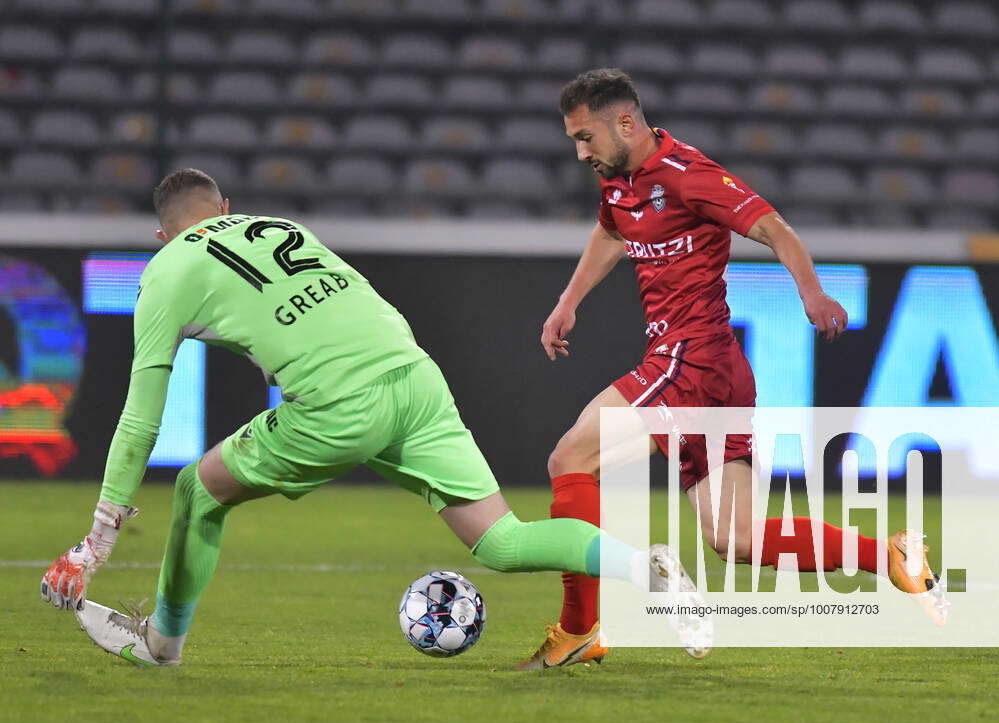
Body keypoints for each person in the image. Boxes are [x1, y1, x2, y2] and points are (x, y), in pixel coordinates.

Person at [40, 168, 706, 666]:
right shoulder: (282, 229)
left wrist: (95, 541)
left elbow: (140, 413)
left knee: (195, 490)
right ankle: (642, 568)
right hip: (414, 376)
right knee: (503, 541)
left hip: (337, 402)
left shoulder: (166, 267)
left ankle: (163, 642)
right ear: (226, 210)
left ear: (162, 235)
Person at [520, 69, 947, 670]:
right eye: (574, 140)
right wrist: (569, 302)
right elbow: (611, 230)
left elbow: (774, 227)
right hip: (715, 373)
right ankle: (894, 556)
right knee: (735, 538)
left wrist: (813, 295)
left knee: (570, 459)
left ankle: (579, 628)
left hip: (689, 361)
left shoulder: (688, 174)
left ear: (625, 122)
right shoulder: (618, 182)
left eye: (586, 137)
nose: (580, 151)